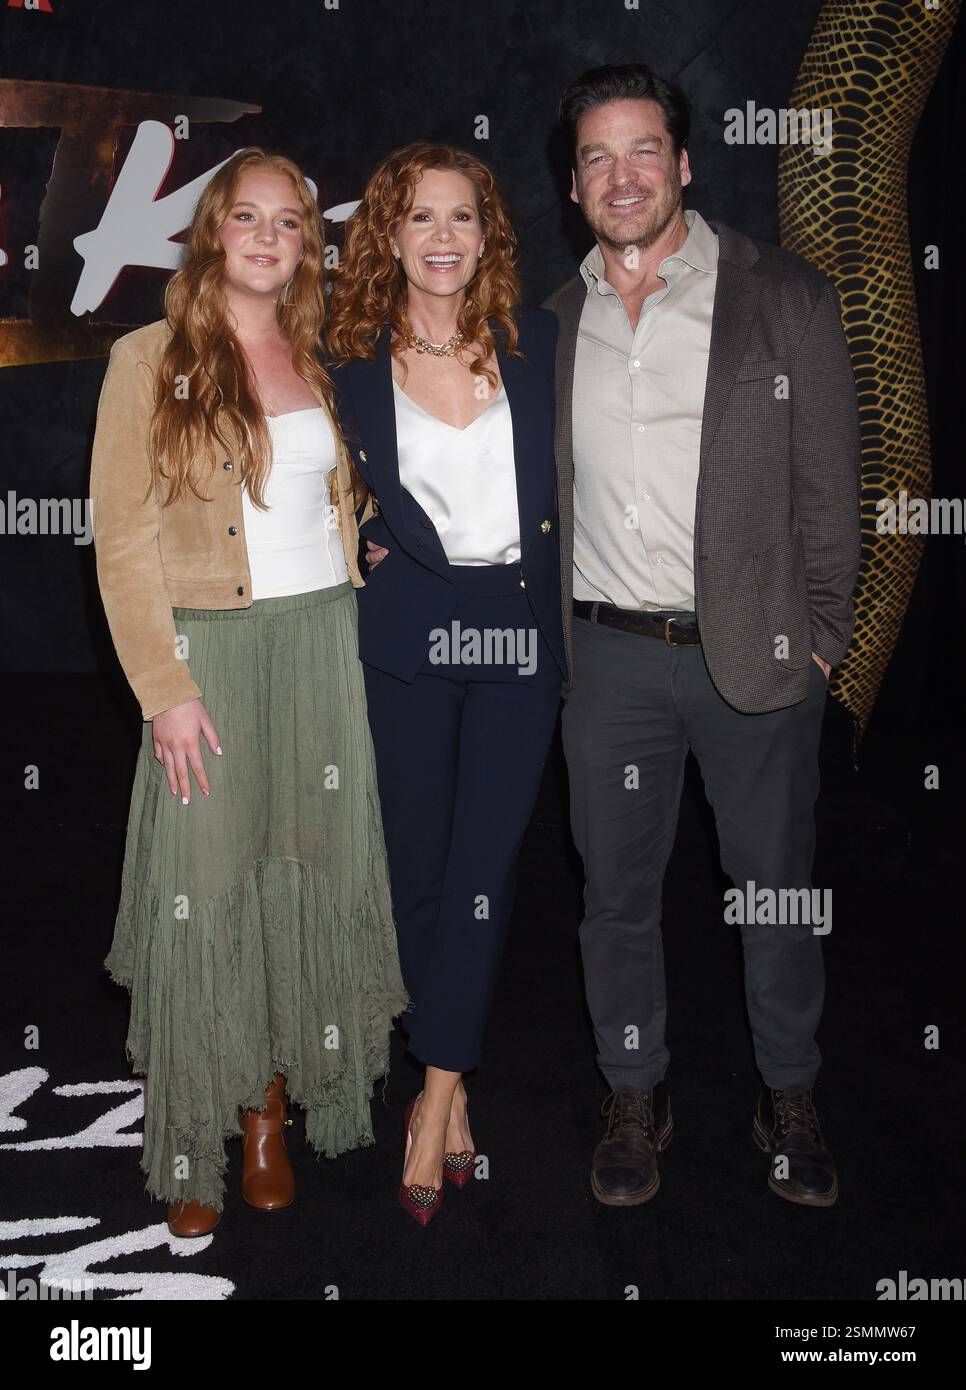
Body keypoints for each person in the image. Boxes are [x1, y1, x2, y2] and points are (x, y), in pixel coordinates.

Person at [543, 65, 861, 1207]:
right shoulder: (556, 318)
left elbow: (834, 492)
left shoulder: (786, 296)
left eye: (641, 151)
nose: (620, 176)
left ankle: (790, 1089)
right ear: (575, 182)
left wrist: (822, 641)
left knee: (772, 892)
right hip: (609, 660)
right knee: (615, 896)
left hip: (760, 659)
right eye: (595, 157)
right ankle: (636, 1088)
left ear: (683, 163)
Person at [90, 147, 407, 1238]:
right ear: (213, 231)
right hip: (210, 657)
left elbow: (334, 499)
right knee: (205, 891)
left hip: (322, 645)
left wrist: (359, 536)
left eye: (289, 221)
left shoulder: (322, 357)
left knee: (301, 872)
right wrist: (162, 687)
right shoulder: (148, 357)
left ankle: (270, 1104)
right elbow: (122, 540)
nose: (269, 236)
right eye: (248, 217)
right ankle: (191, 1138)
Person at [326, 143, 565, 1225]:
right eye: (418, 218)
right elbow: (307, 485)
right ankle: (455, 1084)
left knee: (485, 863)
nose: (440, 237)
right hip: (407, 633)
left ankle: (431, 1096)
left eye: (460, 217)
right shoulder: (349, 363)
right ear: (389, 234)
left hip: (515, 636)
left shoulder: (539, 343)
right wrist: (360, 531)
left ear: (487, 235)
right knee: (419, 868)